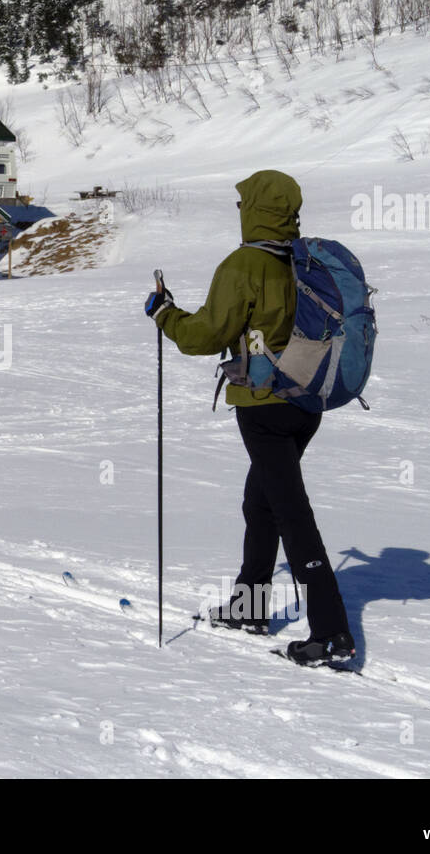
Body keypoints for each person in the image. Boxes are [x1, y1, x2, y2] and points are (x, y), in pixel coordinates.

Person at [144, 169, 355, 665]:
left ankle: (332, 634)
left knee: (291, 513)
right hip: (308, 403)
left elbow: (203, 337)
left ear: (253, 210)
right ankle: (250, 607)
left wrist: (163, 313)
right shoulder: (306, 260)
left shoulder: (244, 264)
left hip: (264, 408)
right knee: (261, 503)